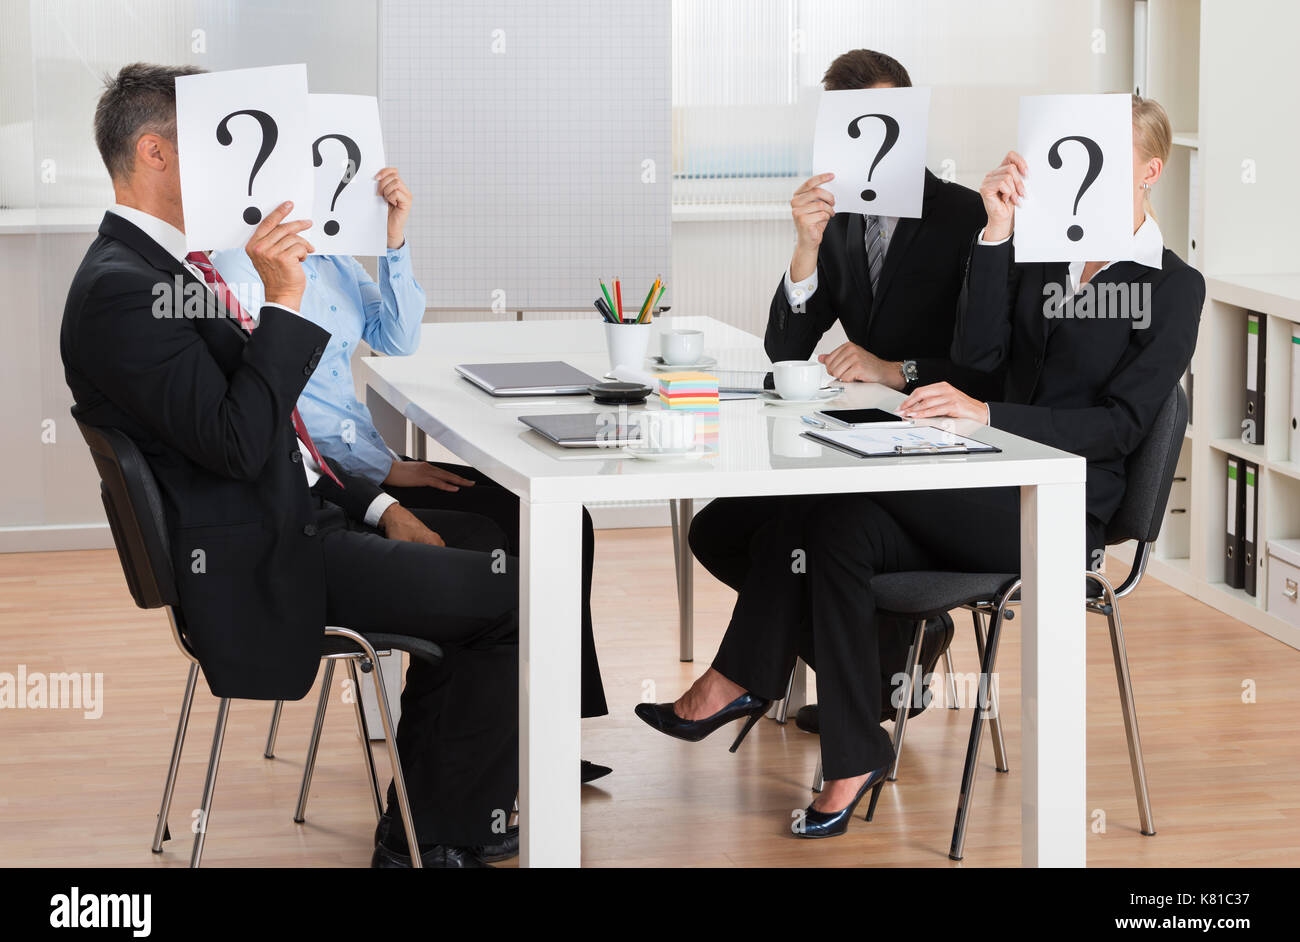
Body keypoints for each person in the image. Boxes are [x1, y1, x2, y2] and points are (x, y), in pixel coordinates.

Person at [638, 93, 1204, 839]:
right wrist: (998, 235)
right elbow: (977, 359)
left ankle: (737, 676)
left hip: (1056, 508)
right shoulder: (1040, 252)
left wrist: (988, 414)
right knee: (835, 524)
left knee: (826, 500)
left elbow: (1122, 426)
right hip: (979, 474)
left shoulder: (1170, 284)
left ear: (1149, 171)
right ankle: (853, 750)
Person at [63, 63, 522, 867]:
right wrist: (282, 298)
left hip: (291, 522)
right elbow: (244, 439)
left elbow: (270, 438)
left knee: (504, 540)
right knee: (513, 595)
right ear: (155, 154)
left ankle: (433, 811)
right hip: (265, 563)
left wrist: (380, 508)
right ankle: (438, 832)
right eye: (213, 140)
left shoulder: (165, 270)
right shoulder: (123, 290)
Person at [210, 176, 611, 782]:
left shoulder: (336, 257)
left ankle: (548, 727)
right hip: (334, 486)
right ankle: (497, 743)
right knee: (501, 540)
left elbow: (396, 338)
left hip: (372, 465)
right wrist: (377, 477)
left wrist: (394, 241)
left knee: (558, 520)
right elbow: (275, 413)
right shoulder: (235, 267)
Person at [687, 48, 998, 732]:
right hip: (861, 439)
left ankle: (773, 677)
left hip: (941, 449)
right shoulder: (842, 220)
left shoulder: (963, 215)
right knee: (719, 529)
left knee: (803, 525)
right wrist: (803, 248)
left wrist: (894, 369)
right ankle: (886, 661)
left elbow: (985, 366)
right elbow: (786, 349)